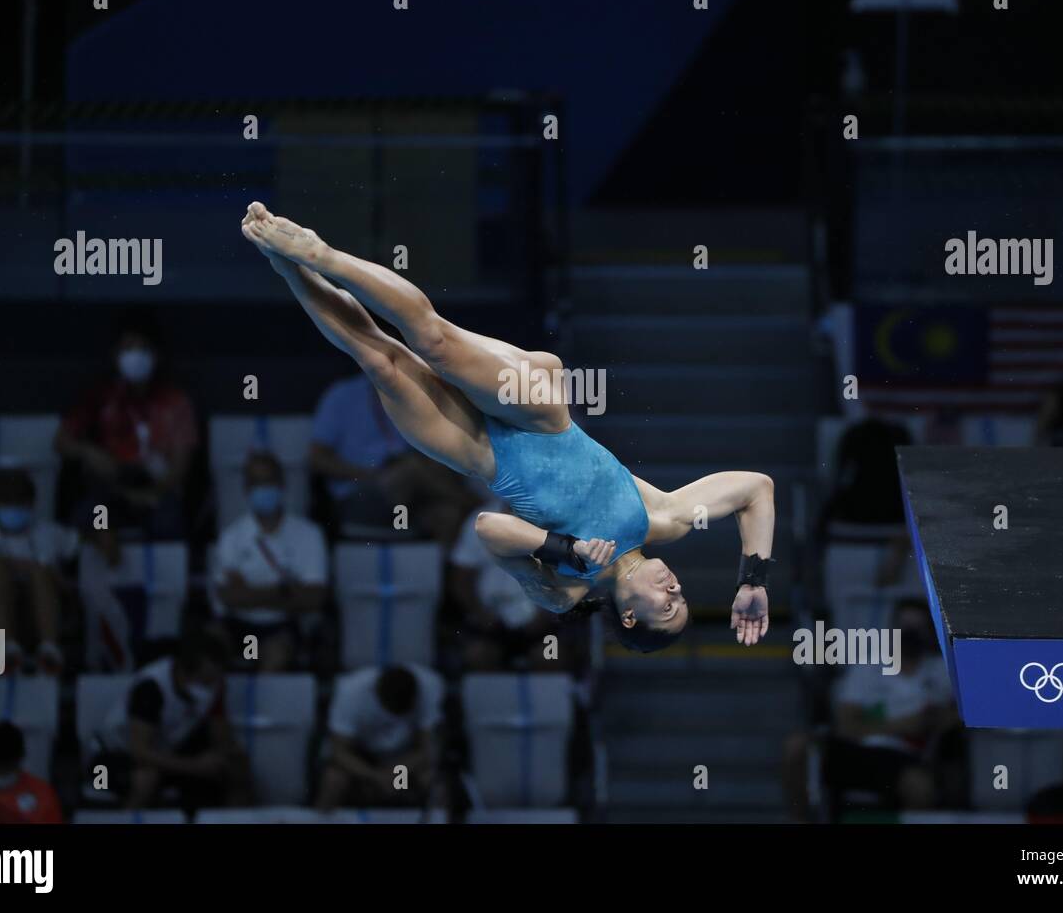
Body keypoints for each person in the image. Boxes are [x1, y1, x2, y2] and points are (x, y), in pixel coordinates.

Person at [240, 202, 775, 652]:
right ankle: (321, 253)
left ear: (630, 618)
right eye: (682, 597)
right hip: (539, 414)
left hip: (480, 452)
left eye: (669, 606)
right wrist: (752, 581)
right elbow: (756, 488)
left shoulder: (564, 591)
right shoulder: (664, 520)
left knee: (381, 360)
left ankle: (286, 264)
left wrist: (564, 550)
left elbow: (488, 531)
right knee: (433, 343)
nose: (676, 589)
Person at [781, 600, 957, 821]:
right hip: (857, 752)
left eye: (917, 627)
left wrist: (932, 722)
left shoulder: (942, 672)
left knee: (921, 787)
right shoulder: (869, 668)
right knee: (796, 747)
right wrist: (905, 725)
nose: (910, 634)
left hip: (904, 757)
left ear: (930, 631)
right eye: (904, 626)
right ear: (892, 628)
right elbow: (846, 725)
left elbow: (953, 718)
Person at [55, 309, 199, 548]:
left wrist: (151, 493)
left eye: (142, 349)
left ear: (156, 355)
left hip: (156, 492)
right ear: (115, 355)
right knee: (89, 517)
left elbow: (180, 467)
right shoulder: (100, 396)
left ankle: (162, 583)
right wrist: (89, 452)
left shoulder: (175, 402)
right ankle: (98, 581)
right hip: (110, 491)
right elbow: (61, 442)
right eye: (128, 348)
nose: (135, 356)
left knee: (170, 523)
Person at [88, 630, 251, 810]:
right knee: (145, 778)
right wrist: (195, 766)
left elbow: (221, 736)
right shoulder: (151, 688)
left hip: (168, 752)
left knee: (235, 767)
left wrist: (225, 757)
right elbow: (139, 751)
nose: (211, 686)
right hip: (116, 755)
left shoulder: (214, 686)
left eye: (215, 679)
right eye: (206, 681)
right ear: (184, 672)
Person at [311, 372, 478, 545]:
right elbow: (317, 458)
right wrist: (368, 474)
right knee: (411, 469)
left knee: (448, 514)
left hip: (411, 497)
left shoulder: (412, 395)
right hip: (360, 492)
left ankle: (440, 570)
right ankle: (475, 504)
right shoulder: (341, 396)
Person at [213, 450, 328, 670]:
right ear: (246, 488)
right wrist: (284, 592)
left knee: (276, 654)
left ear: (282, 484)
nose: (263, 488)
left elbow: (314, 597)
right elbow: (229, 596)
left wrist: (249, 593)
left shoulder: (309, 535)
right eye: (256, 482)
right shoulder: (231, 537)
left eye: (269, 481)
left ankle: (260, 704)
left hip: (283, 627)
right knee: (210, 647)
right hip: (239, 625)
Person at [0, 467, 76, 675]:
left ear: (31, 503)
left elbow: (82, 545)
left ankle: (49, 650)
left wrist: (100, 528)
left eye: (18, 501)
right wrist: (32, 566)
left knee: (40, 575)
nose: (12, 507)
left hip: (33, 617)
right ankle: (7, 648)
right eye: (6, 502)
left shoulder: (51, 533)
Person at [447, 499, 563, 670]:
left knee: (550, 656)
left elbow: (568, 578)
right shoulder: (479, 521)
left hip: (540, 622)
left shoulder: (553, 524)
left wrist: (546, 615)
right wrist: (480, 614)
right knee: (477, 655)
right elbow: (461, 578)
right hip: (490, 622)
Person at [316, 664, 444, 810]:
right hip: (363, 764)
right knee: (333, 779)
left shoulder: (428, 686)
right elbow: (339, 752)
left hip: (404, 764)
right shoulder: (350, 691)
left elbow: (427, 749)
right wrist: (375, 776)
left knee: (434, 781)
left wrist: (396, 772)